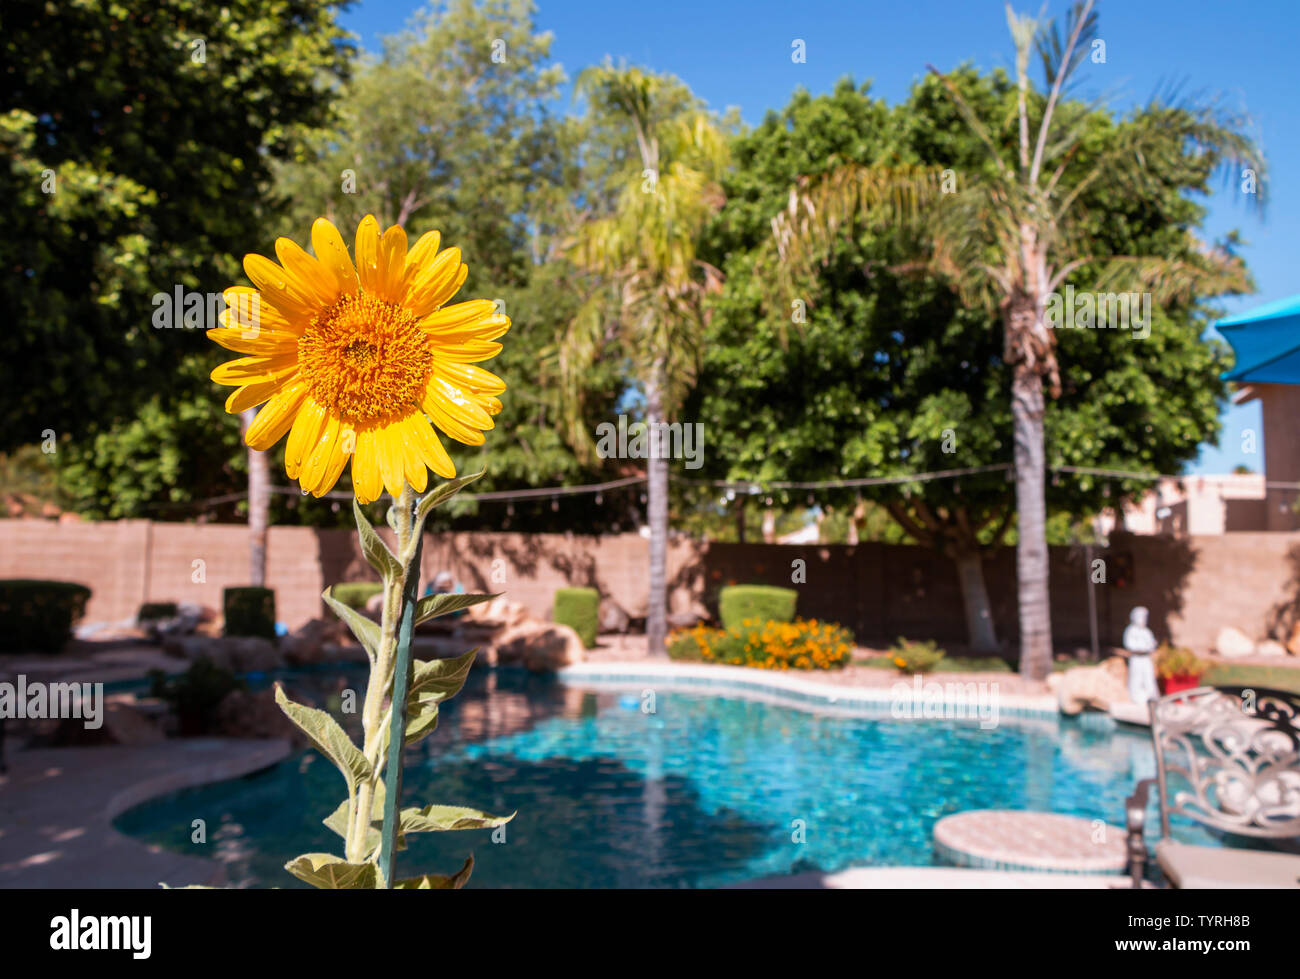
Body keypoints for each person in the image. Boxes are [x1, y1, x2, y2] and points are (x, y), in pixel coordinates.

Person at [1122, 605, 1159, 704]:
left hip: (1146, 659)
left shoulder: (1147, 631)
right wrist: (1142, 648)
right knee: (1136, 678)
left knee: (1148, 678)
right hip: (1137, 658)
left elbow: (1151, 644)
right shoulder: (1131, 630)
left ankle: (1151, 697)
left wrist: (1149, 647)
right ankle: (1136, 698)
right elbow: (1130, 645)